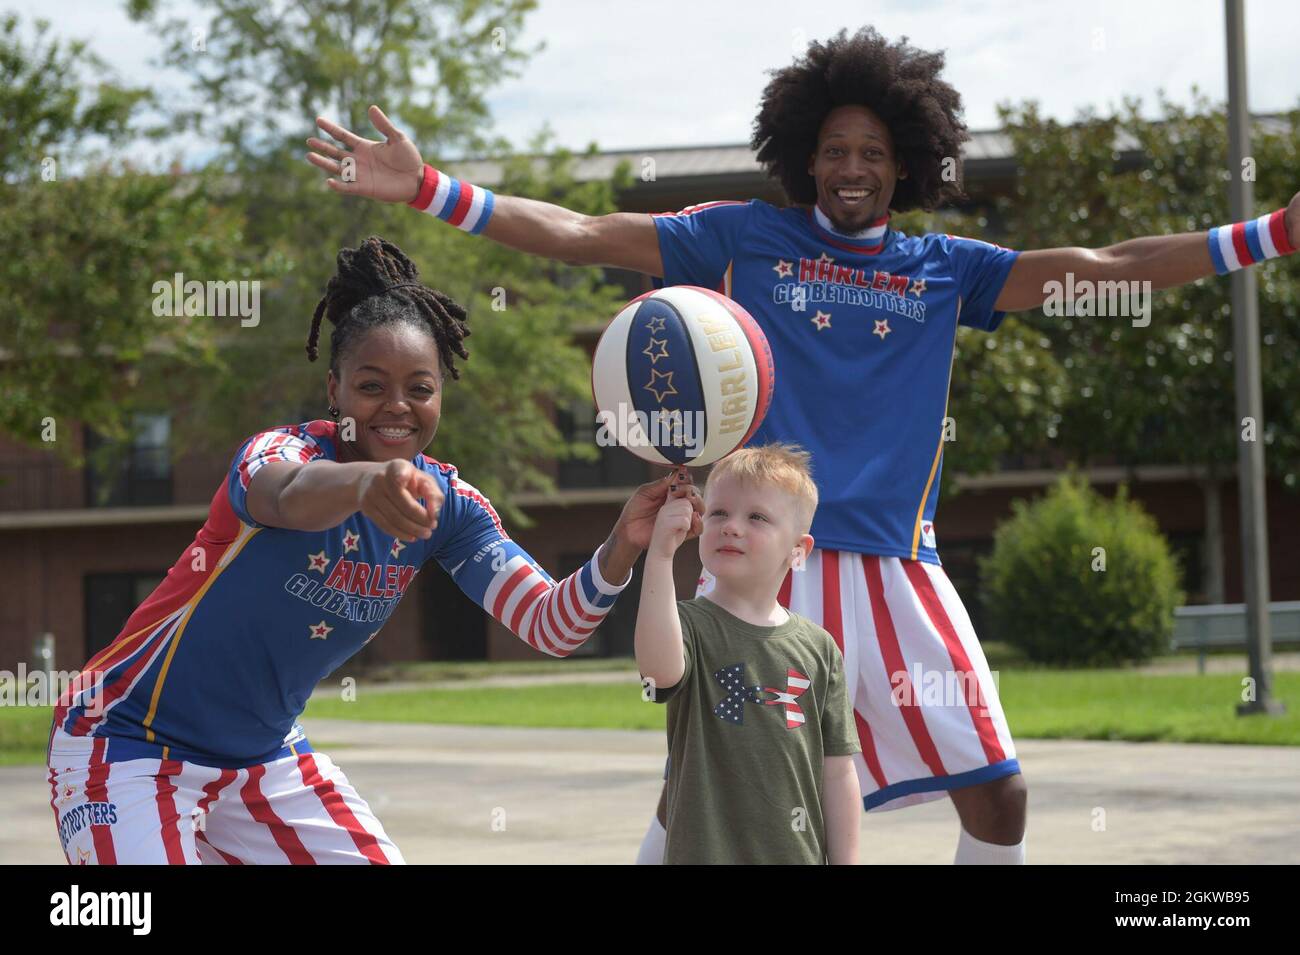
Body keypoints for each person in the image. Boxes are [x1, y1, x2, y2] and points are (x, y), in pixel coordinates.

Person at [306, 27, 1298, 865]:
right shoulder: (744, 237)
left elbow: (1107, 262)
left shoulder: (944, 269)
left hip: (900, 569)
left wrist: (1270, 233)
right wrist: (431, 188)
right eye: (834, 150)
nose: (852, 167)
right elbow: (580, 232)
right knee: (700, 794)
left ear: (903, 162)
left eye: (871, 151)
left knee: (997, 792)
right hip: (760, 563)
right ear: (802, 157)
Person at [46, 236, 703, 865]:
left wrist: (623, 546)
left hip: (258, 759)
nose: (398, 405)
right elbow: (289, 494)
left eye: (420, 387)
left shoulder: (450, 506)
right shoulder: (280, 455)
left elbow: (552, 624)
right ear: (334, 391)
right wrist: (366, 483)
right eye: (371, 386)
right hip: (123, 740)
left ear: (441, 393)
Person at [637, 444, 860, 864]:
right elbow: (658, 674)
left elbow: (838, 771)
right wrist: (661, 554)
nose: (731, 527)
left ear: (798, 550)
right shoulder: (688, 624)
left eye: (756, 517)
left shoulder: (819, 648)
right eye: (719, 513)